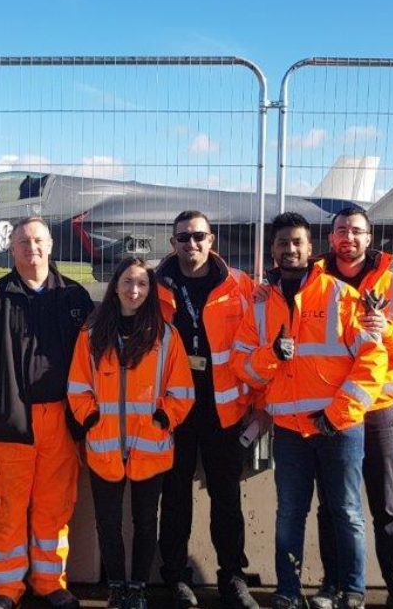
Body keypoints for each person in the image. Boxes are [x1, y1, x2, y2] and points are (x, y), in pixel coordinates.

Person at [230, 212, 386, 609]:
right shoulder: (261, 305)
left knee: (347, 512)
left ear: (310, 249)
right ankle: (287, 591)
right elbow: (241, 363)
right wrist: (271, 355)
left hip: (338, 428)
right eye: (282, 243)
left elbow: (372, 360)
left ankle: (353, 592)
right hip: (289, 431)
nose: (290, 249)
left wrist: (336, 415)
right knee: (290, 514)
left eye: (297, 242)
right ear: (273, 250)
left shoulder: (339, 296)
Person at [309, 207, 393, 609]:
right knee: (331, 505)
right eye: (341, 230)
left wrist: (391, 331)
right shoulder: (315, 281)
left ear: (369, 238)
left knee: (385, 504)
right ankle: (333, 584)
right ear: (331, 239)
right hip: (331, 408)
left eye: (357, 231)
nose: (349, 237)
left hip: (377, 409)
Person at [0, 216, 95, 609]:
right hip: (10, 423)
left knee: (54, 508)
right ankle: (6, 589)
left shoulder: (75, 298)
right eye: (23, 241)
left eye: (39, 240)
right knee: (8, 508)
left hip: (60, 420)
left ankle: (49, 582)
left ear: (52, 246)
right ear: (12, 248)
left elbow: (90, 359)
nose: (31, 248)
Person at [67, 257, 195, 609]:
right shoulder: (92, 335)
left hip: (149, 445)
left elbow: (181, 389)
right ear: (115, 287)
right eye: (127, 282)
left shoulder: (166, 336)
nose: (134, 290)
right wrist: (91, 419)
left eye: (141, 283)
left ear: (150, 289)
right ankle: (117, 587)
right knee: (107, 524)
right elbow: (78, 386)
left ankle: (137, 587)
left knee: (144, 522)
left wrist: (164, 419)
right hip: (104, 444)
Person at [154, 211, 260, 609]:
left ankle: (232, 577)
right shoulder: (154, 286)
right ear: (173, 243)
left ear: (211, 240)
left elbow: (261, 341)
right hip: (175, 410)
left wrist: (258, 406)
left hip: (223, 410)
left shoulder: (239, 286)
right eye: (183, 238)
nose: (191, 244)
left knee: (227, 499)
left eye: (198, 236)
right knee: (175, 497)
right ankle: (176, 578)